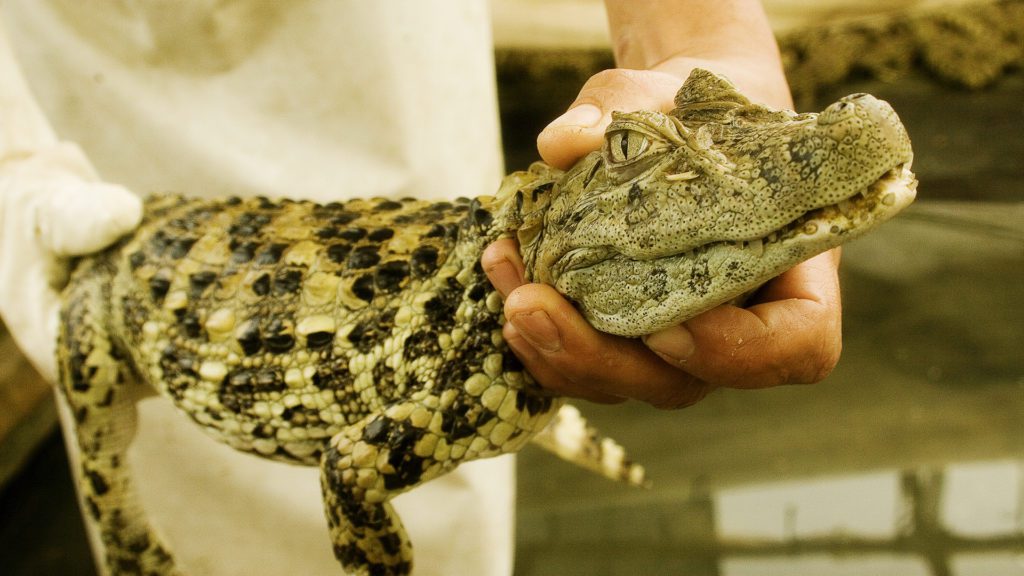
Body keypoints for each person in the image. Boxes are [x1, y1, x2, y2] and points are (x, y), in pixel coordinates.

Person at [0, 1, 841, 574]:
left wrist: (710, 44)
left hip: (396, 85)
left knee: (468, 490)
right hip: (110, 121)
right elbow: (353, 467)